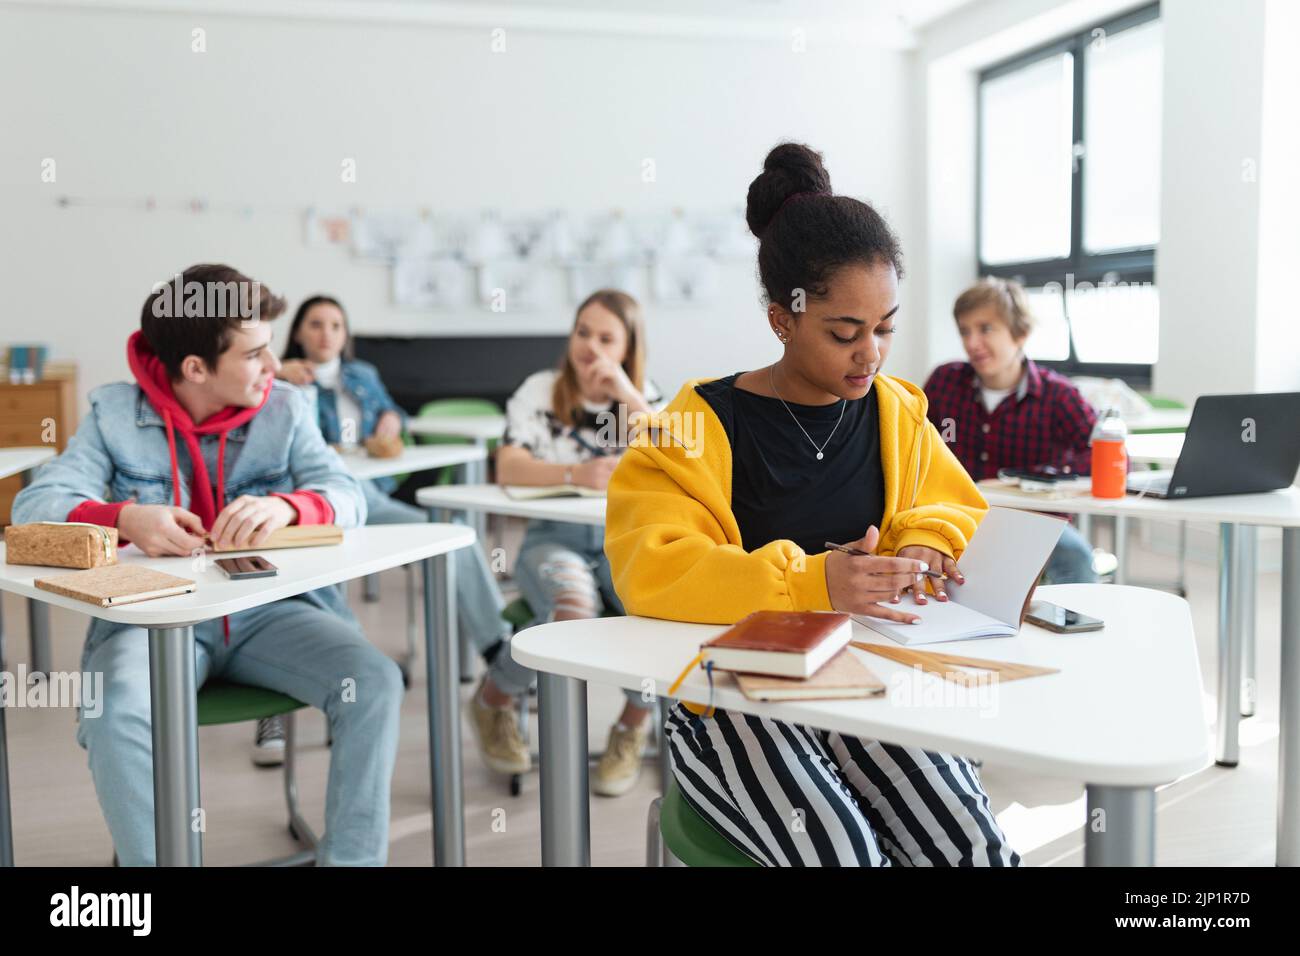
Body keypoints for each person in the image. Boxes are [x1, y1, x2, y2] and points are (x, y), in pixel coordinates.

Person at [604, 143, 1019, 865]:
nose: (872, 355)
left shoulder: (896, 412)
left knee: (971, 845)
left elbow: (954, 506)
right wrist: (812, 582)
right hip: (731, 697)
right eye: (844, 333)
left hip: (873, 681)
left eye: (885, 327)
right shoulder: (693, 423)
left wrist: (927, 541)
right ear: (781, 320)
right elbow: (651, 569)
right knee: (840, 853)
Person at [12, 264, 403, 865]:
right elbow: (34, 505)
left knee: (373, 682)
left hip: (270, 616)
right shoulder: (115, 414)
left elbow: (349, 495)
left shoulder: (287, 409)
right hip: (151, 623)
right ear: (195, 368)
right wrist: (124, 517)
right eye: (255, 355)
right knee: (111, 711)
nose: (274, 367)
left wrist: (288, 505)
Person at [258, 294, 512, 765]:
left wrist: (392, 419)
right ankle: (273, 714)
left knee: (454, 535)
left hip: (367, 496)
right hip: (305, 506)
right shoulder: (276, 377)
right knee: (295, 587)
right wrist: (276, 379)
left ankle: (499, 650)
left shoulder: (363, 376)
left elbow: (392, 414)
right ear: (298, 332)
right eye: (316, 324)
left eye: (336, 324)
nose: (326, 334)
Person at [471, 289, 662, 797]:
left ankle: (631, 725)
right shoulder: (541, 389)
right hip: (550, 539)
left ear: (627, 347)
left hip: (623, 541)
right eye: (583, 332)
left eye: (606, 338)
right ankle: (493, 699)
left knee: (656, 616)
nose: (590, 347)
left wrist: (628, 393)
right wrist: (579, 471)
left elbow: (677, 463)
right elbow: (507, 465)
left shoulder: (643, 397)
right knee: (574, 610)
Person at [923, 277, 1099, 583]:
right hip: (957, 515)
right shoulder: (945, 382)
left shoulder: (1059, 395)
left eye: (985, 328)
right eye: (965, 331)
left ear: (1020, 334)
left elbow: (1103, 454)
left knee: (1077, 557)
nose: (971, 343)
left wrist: (1040, 477)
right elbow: (917, 445)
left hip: (1032, 521)